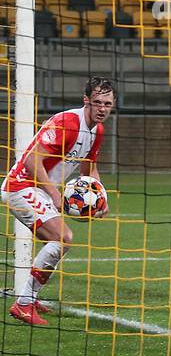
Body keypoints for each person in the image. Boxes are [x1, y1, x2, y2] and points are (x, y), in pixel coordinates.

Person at [3, 77, 114, 326]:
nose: (102, 108)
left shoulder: (98, 130)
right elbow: (32, 161)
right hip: (19, 187)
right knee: (63, 238)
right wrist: (55, 195)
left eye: (107, 103)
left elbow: (89, 169)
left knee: (59, 244)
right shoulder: (67, 122)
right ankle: (23, 304)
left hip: (38, 191)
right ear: (86, 101)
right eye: (97, 102)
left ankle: (28, 299)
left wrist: (100, 197)